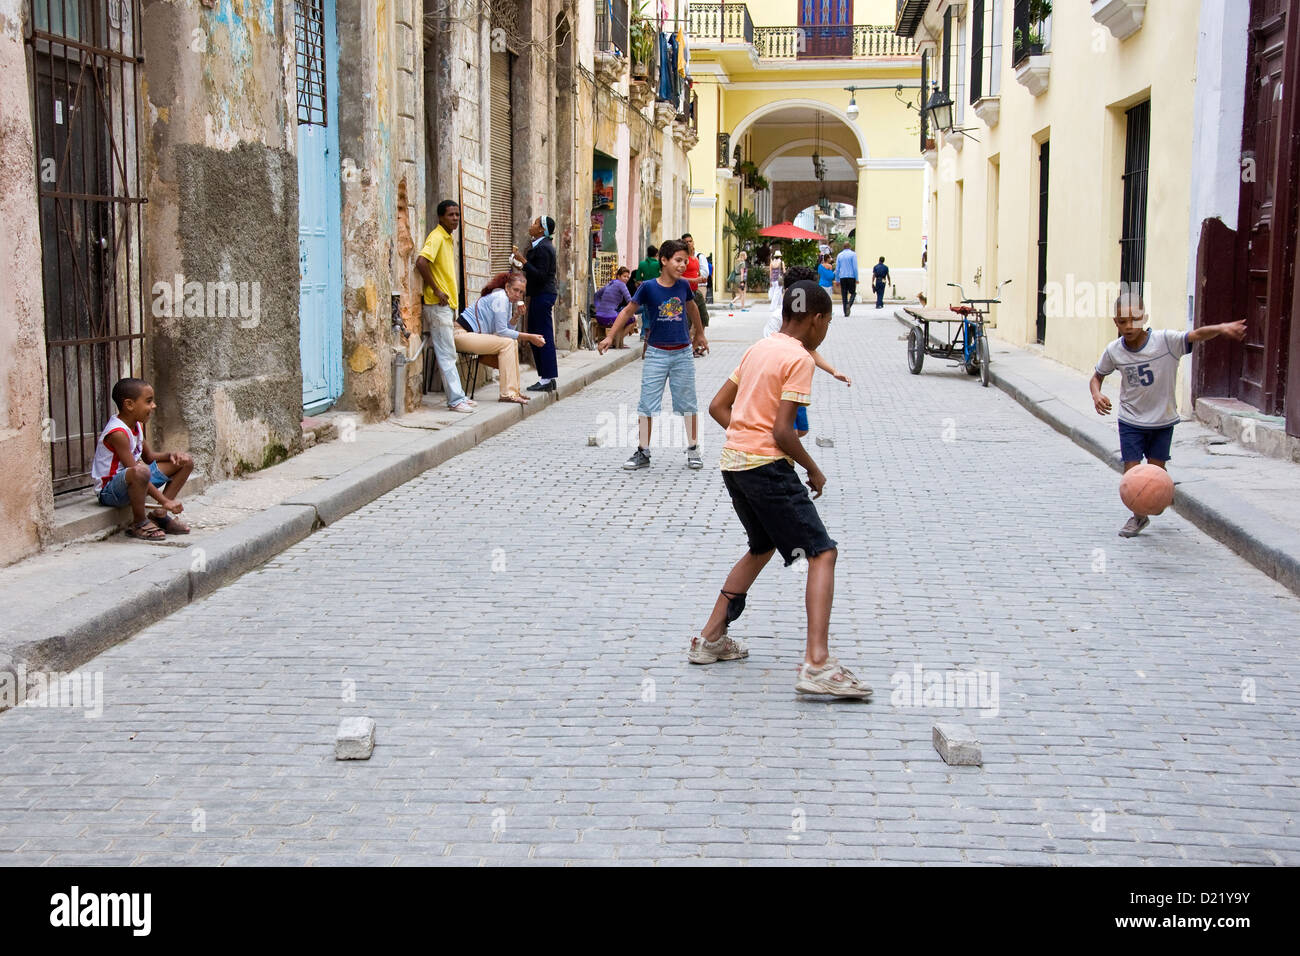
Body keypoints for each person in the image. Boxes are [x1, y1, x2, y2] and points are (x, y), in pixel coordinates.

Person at [689, 280, 871, 699]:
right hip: (767, 467)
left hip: (734, 464)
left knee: (762, 546)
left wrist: (743, 435)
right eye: (826, 324)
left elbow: (718, 406)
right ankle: (818, 664)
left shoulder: (760, 347)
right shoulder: (799, 358)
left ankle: (710, 638)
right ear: (818, 319)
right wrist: (814, 469)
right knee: (823, 552)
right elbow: (783, 431)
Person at [1090, 292, 1246, 537]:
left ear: (1145, 317)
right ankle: (1138, 516)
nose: (1129, 326)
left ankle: (1154, 499)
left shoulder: (1166, 342)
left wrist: (1222, 328)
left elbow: (1196, 335)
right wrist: (1097, 394)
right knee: (1132, 472)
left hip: (1162, 421)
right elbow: (1097, 376)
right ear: (1115, 322)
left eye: (1135, 319)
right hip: (1131, 419)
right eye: (1122, 321)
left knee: (1156, 473)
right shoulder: (1114, 351)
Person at [598, 239, 709, 470]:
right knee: (647, 404)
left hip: (682, 354)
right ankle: (643, 451)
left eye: (685, 261)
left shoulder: (684, 287)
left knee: (688, 403)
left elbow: (692, 308)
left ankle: (693, 449)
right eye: (678, 260)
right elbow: (628, 310)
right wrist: (610, 336)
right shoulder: (648, 287)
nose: (682, 265)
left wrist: (699, 334)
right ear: (664, 260)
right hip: (657, 353)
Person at [93, 377, 194, 540]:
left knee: (185, 462)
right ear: (129, 405)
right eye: (148, 401)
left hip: (136, 480)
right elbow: (134, 470)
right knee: (140, 471)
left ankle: (159, 515)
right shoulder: (118, 433)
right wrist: (165, 500)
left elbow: (149, 457)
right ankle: (139, 522)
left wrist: (172, 455)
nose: (153, 406)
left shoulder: (136, 425)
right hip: (111, 492)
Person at [762, 267, 852, 438]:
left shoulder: (805, 319)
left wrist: (833, 371)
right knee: (789, 431)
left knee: (801, 429)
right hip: (779, 382)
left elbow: (808, 350)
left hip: (795, 381)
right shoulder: (778, 318)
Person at [417, 200, 475, 413]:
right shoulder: (437, 237)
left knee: (449, 352)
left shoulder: (447, 238)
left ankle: (459, 396)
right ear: (441, 217)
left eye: (457, 215)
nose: (455, 219)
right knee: (446, 353)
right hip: (437, 304)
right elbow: (421, 262)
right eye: (451, 215)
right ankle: (455, 400)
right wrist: (437, 290)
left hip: (445, 305)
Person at [456, 272, 547, 405]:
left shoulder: (507, 301)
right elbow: (502, 332)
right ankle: (508, 393)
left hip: (474, 336)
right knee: (508, 343)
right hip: (460, 334)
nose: (518, 294)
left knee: (512, 342)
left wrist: (516, 316)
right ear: (507, 287)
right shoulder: (501, 298)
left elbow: (506, 329)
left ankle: (514, 391)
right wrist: (529, 337)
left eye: (521, 292)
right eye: (515, 290)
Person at [514, 215, 559, 392]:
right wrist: (522, 265)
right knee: (536, 335)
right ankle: (546, 377)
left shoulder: (544, 248)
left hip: (543, 295)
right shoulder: (539, 247)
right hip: (539, 295)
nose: (531, 225)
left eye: (535, 223)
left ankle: (547, 378)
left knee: (542, 337)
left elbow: (540, 275)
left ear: (541, 229)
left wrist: (523, 261)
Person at [594, 266, 634, 348]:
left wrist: (598, 308)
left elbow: (596, 295)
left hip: (599, 317)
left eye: (627, 277)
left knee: (621, 316)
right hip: (609, 318)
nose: (626, 279)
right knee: (633, 320)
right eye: (624, 276)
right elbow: (630, 301)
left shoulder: (610, 284)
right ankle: (616, 341)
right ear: (618, 276)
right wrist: (632, 313)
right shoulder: (622, 285)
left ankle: (613, 340)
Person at [682, 233, 709, 330]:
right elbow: (677, 277)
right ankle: (689, 342)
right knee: (688, 322)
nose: (689, 243)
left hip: (696, 291)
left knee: (704, 319)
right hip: (685, 292)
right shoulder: (683, 259)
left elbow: (698, 273)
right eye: (686, 242)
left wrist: (701, 278)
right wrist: (694, 280)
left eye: (690, 241)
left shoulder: (697, 258)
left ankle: (697, 339)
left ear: (693, 242)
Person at [835, 242, 858, 317]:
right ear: (849, 247)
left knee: (844, 295)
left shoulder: (839, 255)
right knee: (853, 293)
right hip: (851, 277)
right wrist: (856, 278)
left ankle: (845, 312)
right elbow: (855, 267)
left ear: (843, 247)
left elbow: (837, 268)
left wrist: (837, 279)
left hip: (842, 277)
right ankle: (849, 304)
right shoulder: (853, 254)